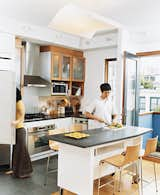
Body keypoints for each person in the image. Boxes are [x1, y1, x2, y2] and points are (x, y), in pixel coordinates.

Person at [11, 88, 33, 178]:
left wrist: (16, 122)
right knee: (17, 151)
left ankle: (25, 172)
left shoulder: (19, 102)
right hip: (15, 129)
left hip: (20, 129)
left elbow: (22, 114)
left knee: (21, 152)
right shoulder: (13, 102)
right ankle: (17, 172)